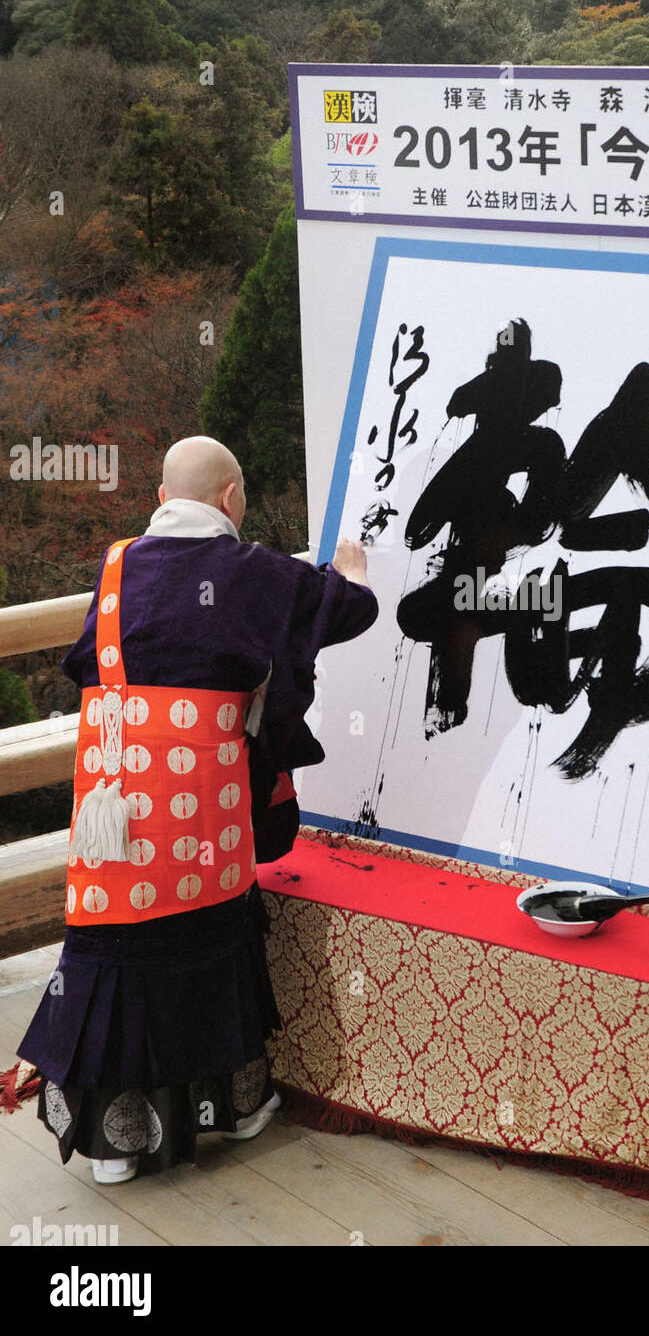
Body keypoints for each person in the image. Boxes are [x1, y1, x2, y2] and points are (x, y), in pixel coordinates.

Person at [16, 436, 378, 1182]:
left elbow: (89, 661)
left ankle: (115, 1147)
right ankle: (238, 1109)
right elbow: (341, 611)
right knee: (214, 931)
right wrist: (352, 573)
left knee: (115, 945)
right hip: (201, 796)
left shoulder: (117, 565)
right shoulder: (246, 570)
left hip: (112, 800)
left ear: (159, 500)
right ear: (231, 497)